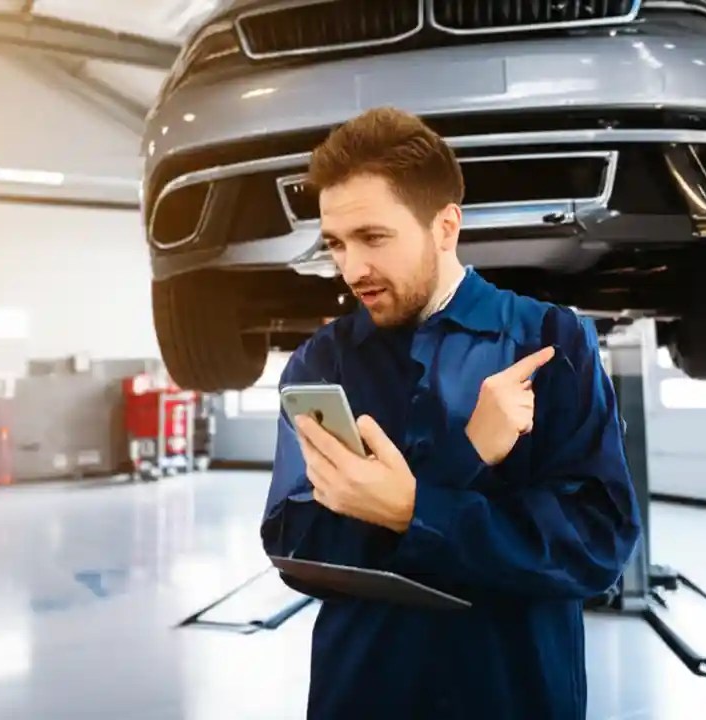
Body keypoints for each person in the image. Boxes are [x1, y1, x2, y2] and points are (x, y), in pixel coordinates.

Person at [260, 107, 643, 720]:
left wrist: (410, 511)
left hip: (511, 695)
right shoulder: (320, 364)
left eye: (374, 238)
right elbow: (292, 544)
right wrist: (467, 458)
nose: (351, 268)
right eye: (336, 243)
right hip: (361, 693)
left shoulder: (548, 342)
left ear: (445, 226)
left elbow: (595, 545)